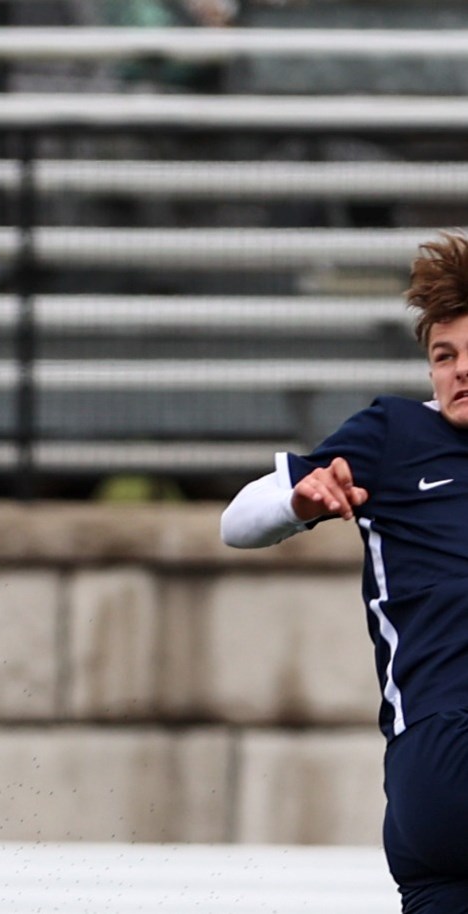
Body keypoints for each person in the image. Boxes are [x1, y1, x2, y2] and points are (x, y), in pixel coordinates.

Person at [221, 231, 468, 912]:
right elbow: (236, 522)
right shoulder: (395, 435)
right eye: (444, 357)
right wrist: (298, 502)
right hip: (441, 753)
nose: (460, 372)